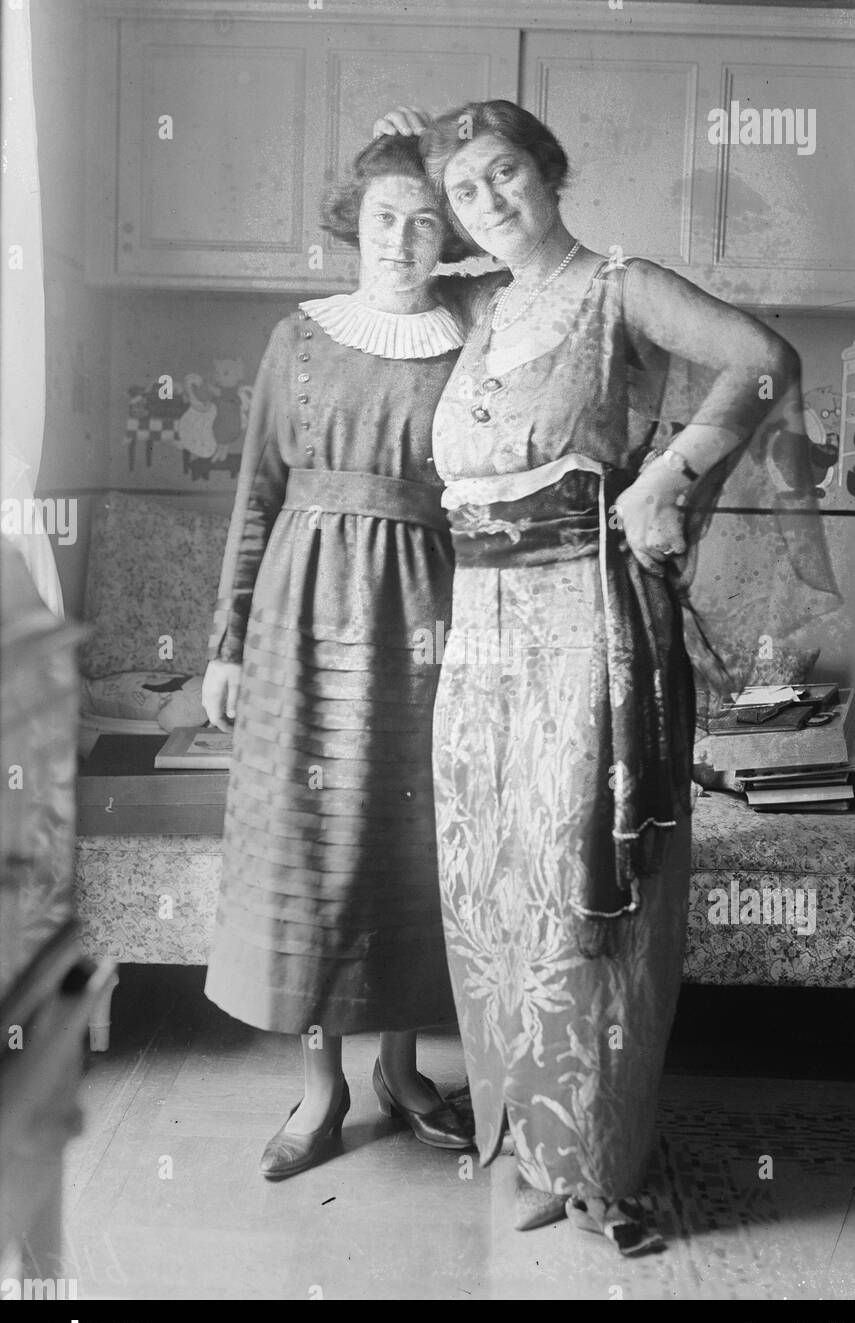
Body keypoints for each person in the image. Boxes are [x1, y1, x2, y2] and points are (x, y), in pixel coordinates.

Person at [374, 101, 840, 1252]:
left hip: (585, 626)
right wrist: (397, 160)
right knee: (494, 888)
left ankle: (601, 1165)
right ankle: (532, 1146)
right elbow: (376, 256)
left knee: (585, 886)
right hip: (480, 638)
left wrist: (669, 475)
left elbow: (764, 362)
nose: (488, 201)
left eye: (506, 174)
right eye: (466, 190)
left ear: (551, 171)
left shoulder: (619, 286)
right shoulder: (476, 304)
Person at [201, 134, 480, 1179]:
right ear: (350, 229)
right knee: (312, 848)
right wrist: (226, 640)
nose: (402, 239)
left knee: (413, 850)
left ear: (446, 237)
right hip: (302, 609)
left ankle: (404, 1073)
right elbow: (256, 495)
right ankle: (319, 1091)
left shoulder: (470, 340)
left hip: (428, 612)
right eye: (382, 218)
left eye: (423, 221)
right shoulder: (299, 337)